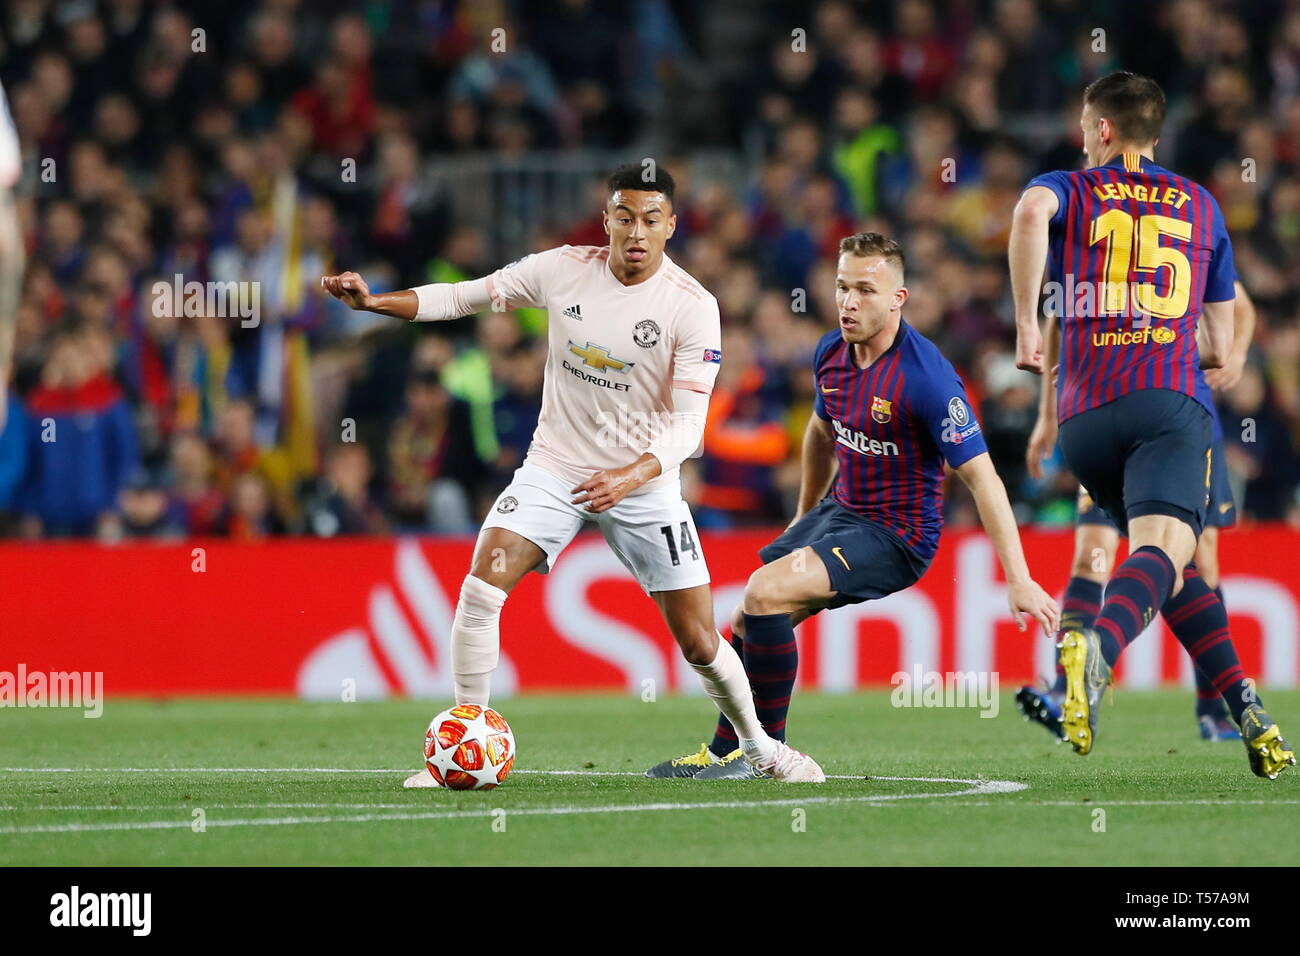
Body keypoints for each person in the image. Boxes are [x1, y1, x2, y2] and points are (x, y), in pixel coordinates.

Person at [322, 164, 825, 785]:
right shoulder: (562, 269)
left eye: (650, 220)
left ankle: (763, 751)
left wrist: (628, 475)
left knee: (698, 640)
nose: (636, 231)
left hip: (643, 483)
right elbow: (464, 296)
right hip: (555, 468)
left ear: (671, 225)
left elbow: (690, 429)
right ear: (607, 219)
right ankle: (465, 739)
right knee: (483, 585)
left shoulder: (692, 308)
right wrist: (375, 302)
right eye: (624, 217)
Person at [648, 231, 1060, 780]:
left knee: (763, 593)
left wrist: (1019, 578)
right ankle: (726, 752)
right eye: (843, 287)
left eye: (866, 290)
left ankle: (766, 755)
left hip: (899, 535)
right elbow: (820, 433)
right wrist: (804, 512)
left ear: (898, 298)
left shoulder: (928, 379)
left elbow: (983, 481)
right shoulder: (830, 354)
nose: (848, 301)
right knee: (749, 616)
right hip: (842, 512)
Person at [1009, 71, 1293, 778]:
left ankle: (1245, 709)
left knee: (1168, 567)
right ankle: (1096, 650)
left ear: (1102, 129)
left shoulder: (1068, 189)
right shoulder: (1199, 203)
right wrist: (1198, 344)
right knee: (1167, 553)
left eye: (1083, 122)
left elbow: (1024, 218)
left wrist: (1024, 327)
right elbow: (1224, 340)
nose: (1080, 134)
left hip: (1083, 417)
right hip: (1166, 403)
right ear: (1152, 133)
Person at [1018, 281, 1256, 743]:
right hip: (1106, 415)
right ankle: (1069, 691)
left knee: (1197, 565)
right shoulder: (1100, 243)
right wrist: (1048, 413)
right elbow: (1056, 316)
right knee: (1091, 557)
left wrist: (1238, 354)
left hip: (1181, 421)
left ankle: (1213, 711)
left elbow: (1239, 305)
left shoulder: (1178, 237)